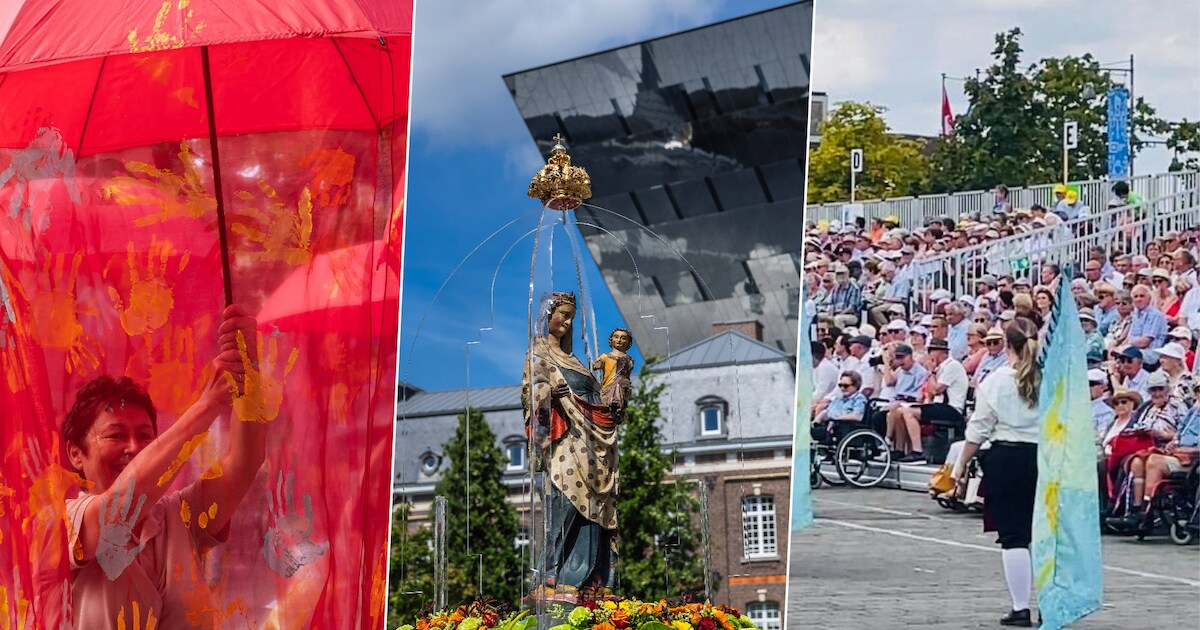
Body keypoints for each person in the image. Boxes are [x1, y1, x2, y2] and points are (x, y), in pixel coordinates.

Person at [64, 305, 264, 628]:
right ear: (76, 454)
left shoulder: (179, 515)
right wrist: (208, 404)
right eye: (116, 435)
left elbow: (245, 461)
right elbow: (122, 503)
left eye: (145, 436)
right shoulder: (67, 523)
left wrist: (248, 369)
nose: (133, 448)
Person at [523, 292, 618, 589]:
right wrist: (550, 394)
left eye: (571, 318)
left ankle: (593, 578)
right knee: (564, 502)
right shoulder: (539, 354)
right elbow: (530, 393)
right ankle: (552, 572)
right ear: (547, 316)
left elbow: (594, 395)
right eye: (562, 314)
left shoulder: (575, 360)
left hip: (593, 442)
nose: (566, 321)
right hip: (564, 440)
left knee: (595, 509)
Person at [954, 317, 1041, 627]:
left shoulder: (995, 380)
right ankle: (1049, 604)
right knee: (1045, 535)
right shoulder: (1053, 377)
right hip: (1046, 458)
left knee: (1014, 537)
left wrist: (961, 464)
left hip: (1007, 459)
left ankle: (1020, 608)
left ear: (1007, 345)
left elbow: (979, 428)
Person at [894, 339, 968, 464]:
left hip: (952, 408)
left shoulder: (952, 366)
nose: (929, 354)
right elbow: (929, 392)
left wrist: (931, 372)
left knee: (909, 413)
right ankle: (899, 449)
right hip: (937, 405)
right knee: (898, 412)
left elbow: (936, 390)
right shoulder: (940, 368)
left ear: (942, 352)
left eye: (932, 351)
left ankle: (917, 452)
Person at [592, 327, 634, 418]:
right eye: (616, 337)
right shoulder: (606, 356)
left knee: (619, 388)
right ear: (611, 340)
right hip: (609, 386)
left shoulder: (629, 359)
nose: (619, 340)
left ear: (628, 343)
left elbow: (627, 374)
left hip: (623, 386)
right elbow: (595, 366)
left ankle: (618, 410)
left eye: (623, 338)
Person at [1128, 285, 1168, 350]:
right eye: (1136, 297)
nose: (1139, 299)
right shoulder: (1135, 315)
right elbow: (1130, 337)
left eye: (1142, 296)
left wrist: (1129, 343)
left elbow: (1145, 342)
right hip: (1135, 349)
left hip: (1151, 351)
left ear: (1149, 299)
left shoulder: (1155, 314)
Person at [1156, 342, 1195, 407]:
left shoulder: (1188, 381)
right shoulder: (1161, 378)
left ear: (1177, 361)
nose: (1161, 361)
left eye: (1165, 357)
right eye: (1161, 357)